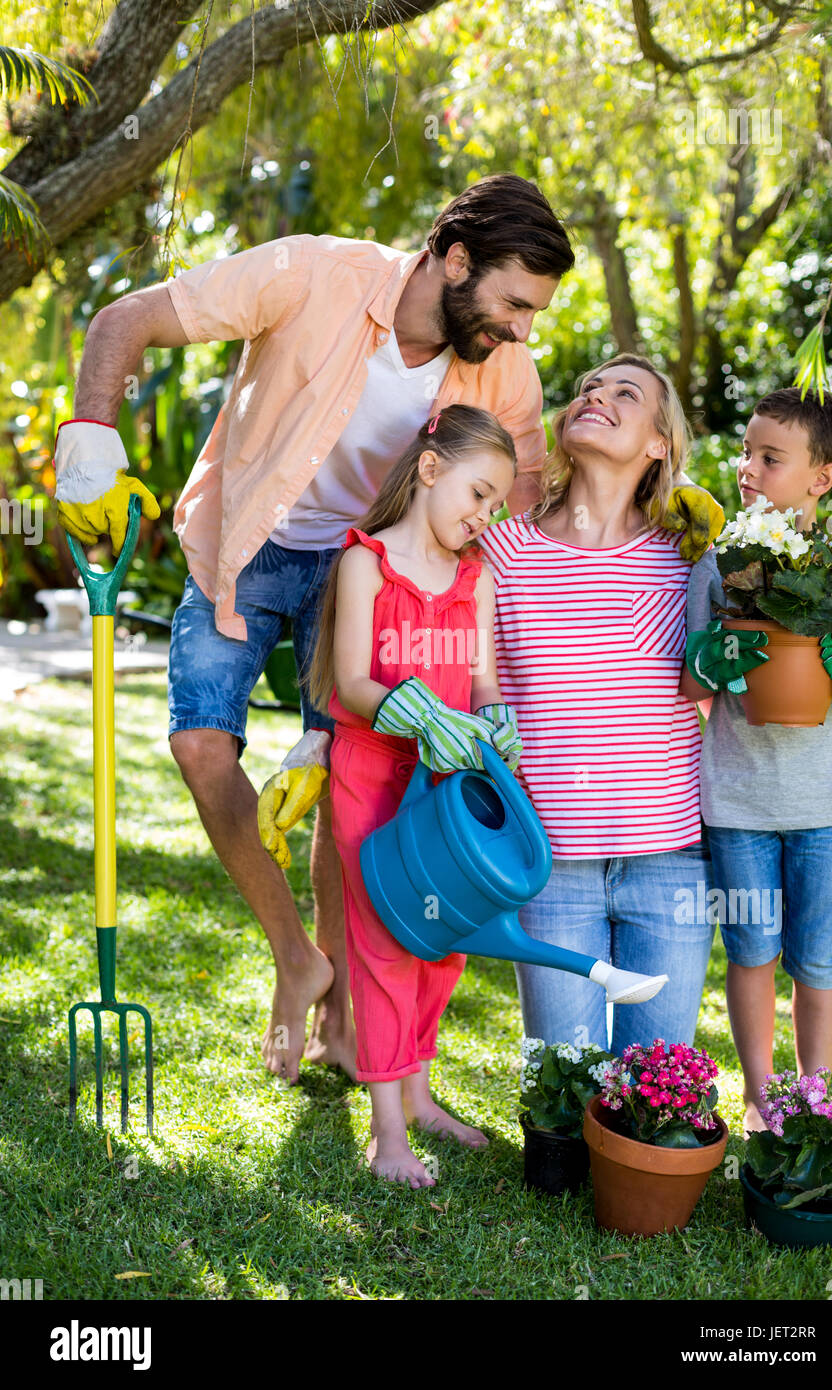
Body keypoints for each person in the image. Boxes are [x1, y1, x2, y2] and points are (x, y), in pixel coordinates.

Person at [51, 175, 575, 1082]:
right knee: (200, 746)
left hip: (365, 572)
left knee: (346, 780)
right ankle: (298, 955)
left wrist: (639, 511)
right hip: (248, 548)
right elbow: (120, 323)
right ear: (454, 259)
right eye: (513, 303)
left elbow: (518, 501)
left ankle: (341, 1021)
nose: (521, 330)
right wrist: (90, 454)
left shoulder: (507, 371)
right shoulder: (311, 273)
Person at [303, 405, 522, 1186]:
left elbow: (487, 680)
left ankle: (422, 1097)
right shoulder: (365, 562)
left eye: (495, 505)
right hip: (374, 775)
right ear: (431, 470)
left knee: (443, 943)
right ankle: (387, 1131)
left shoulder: (476, 578)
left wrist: (497, 727)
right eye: (477, 494)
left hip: (448, 790)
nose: (483, 516)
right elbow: (356, 679)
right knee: (386, 944)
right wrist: (424, 713)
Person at [479, 354, 720, 1054]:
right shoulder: (501, 550)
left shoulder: (690, 555)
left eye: (626, 393)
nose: (597, 396)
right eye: (589, 388)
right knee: (562, 1089)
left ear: (659, 445)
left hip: (673, 856)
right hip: (548, 858)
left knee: (656, 1094)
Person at [681, 387, 832, 1137]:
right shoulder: (719, 565)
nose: (748, 467)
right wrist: (714, 660)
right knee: (750, 952)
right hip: (738, 803)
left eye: (770, 457)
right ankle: (761, 1096)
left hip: (827, 804)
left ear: (822, 478)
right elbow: (690, 681)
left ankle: (814, 1096)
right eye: (746, 451)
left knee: (818, 963)